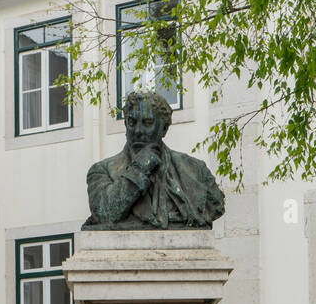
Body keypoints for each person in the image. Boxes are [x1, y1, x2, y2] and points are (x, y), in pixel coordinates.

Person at [83, 90, 225, 229]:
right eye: (132, 122)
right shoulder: (102, 170)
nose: (138, 131)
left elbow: (215, 205)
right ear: (126, 125)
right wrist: (141, 166)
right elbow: (106, 215)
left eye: (147, 122)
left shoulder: (196, 170)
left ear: (164, 129)